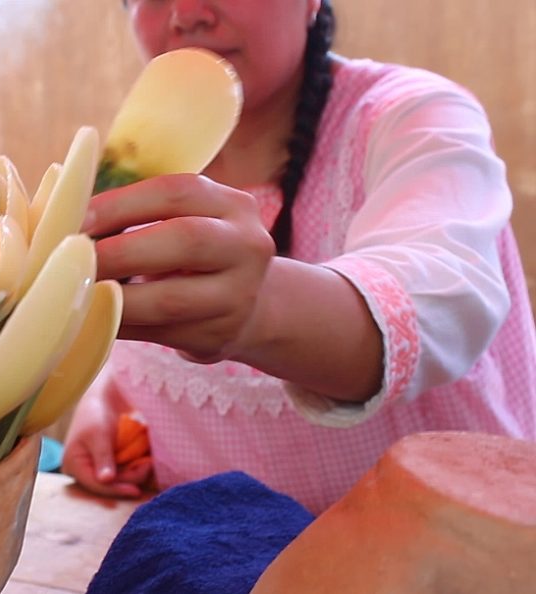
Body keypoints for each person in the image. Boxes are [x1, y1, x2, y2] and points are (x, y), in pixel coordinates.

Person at [63, 0, 536, 514]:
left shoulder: (414, 117)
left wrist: (259, 311)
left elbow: (444, 299)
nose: (186, 13)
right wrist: (110, 399)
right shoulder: (145, 157)